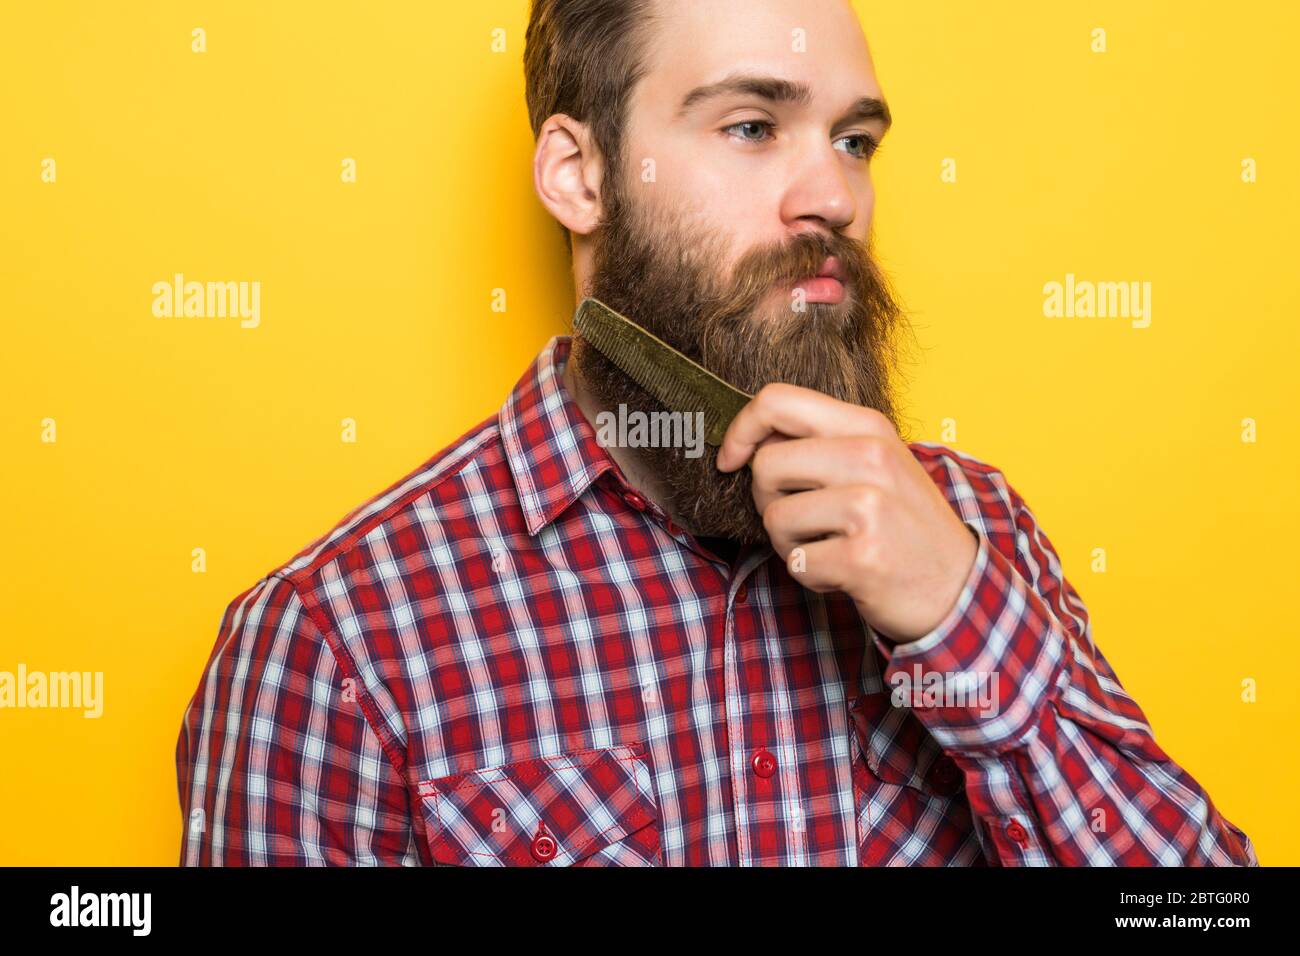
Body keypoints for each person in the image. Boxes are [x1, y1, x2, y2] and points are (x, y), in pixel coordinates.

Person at [176, 0, 1256, 866]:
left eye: (854, 139)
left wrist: (961, 616)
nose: (831, 191)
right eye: (751, 125)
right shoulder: (337, 641)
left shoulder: (970, 531)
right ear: (579, 173)